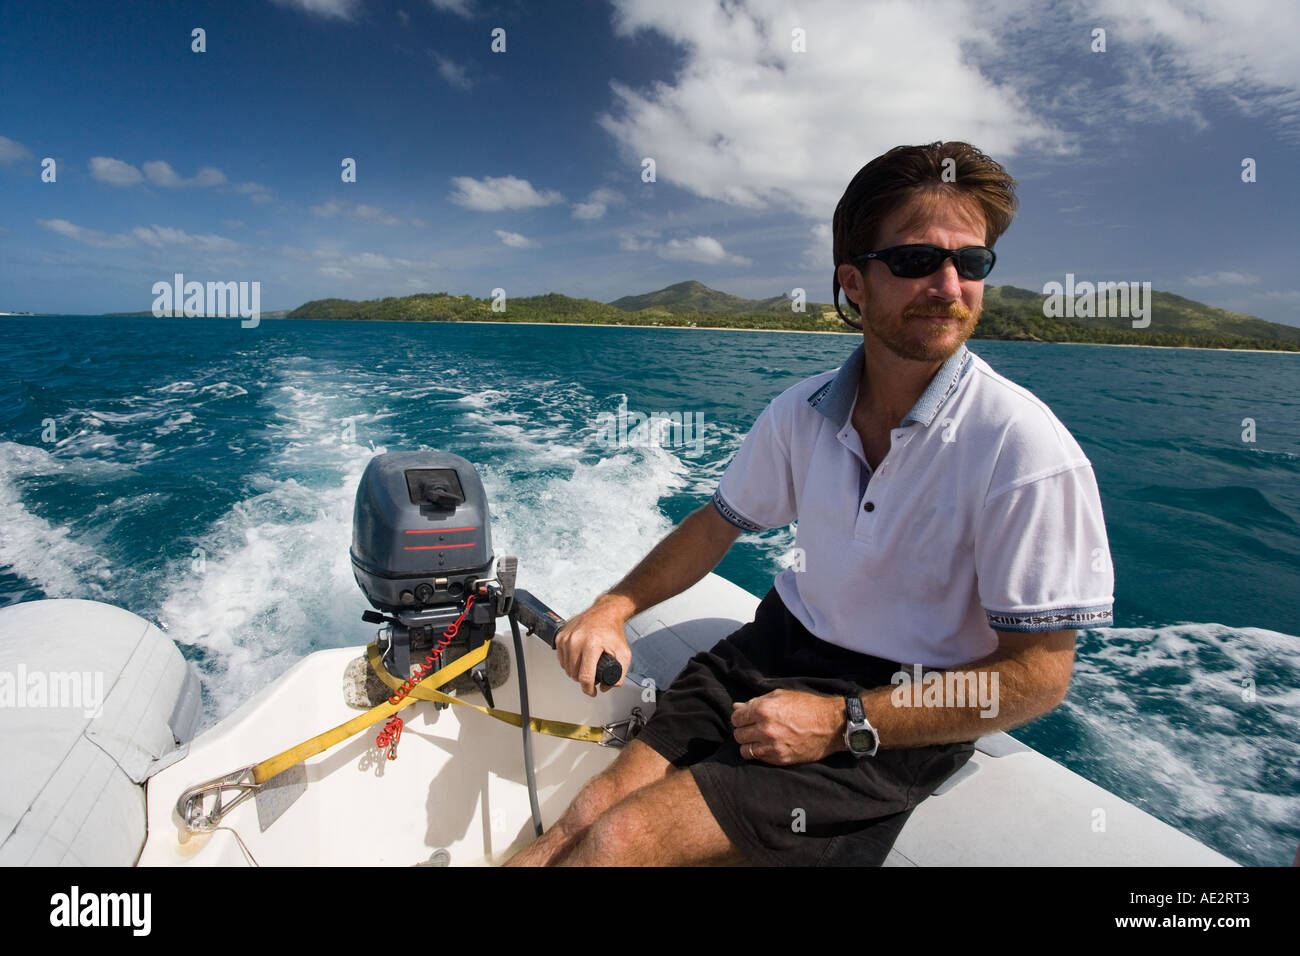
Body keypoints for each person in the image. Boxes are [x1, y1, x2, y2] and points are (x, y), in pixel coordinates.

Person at [505, 141, 1115, 867]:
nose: (950, 285)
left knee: (619, 840)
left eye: (972, 262)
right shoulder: (804, 411)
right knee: (584, 816)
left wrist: (842, 720)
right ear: (854, 283)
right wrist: (612, 608)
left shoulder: (1024, 449)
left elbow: (1039, 675)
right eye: (919, 260)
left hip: (902, 701)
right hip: (774, 648)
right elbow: (716, 526)